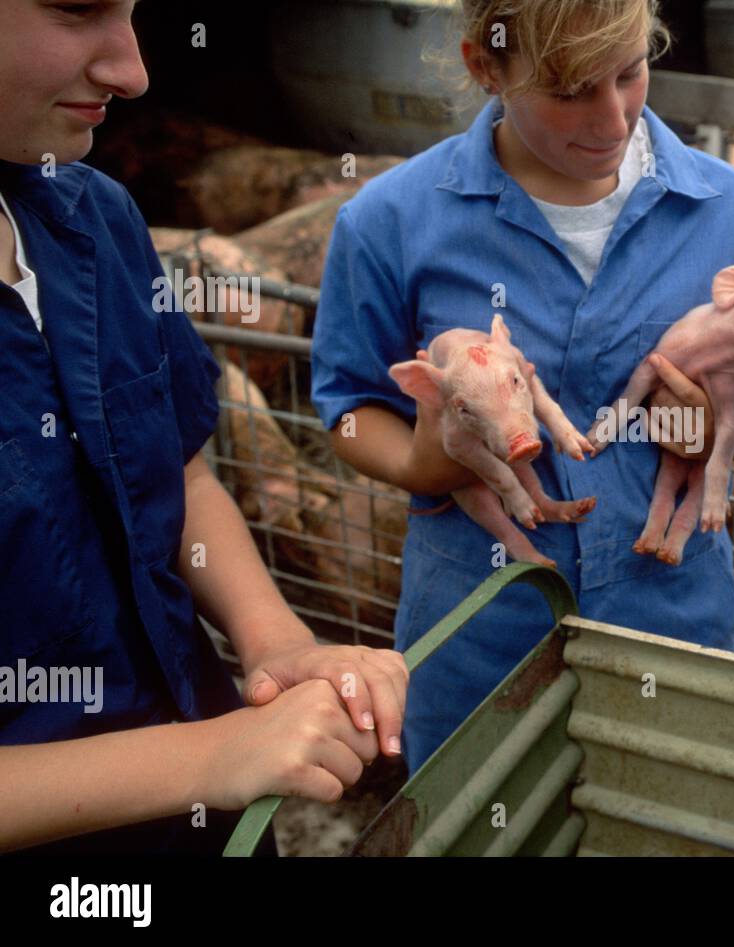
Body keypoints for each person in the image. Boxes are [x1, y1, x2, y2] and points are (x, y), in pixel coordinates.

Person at [312, 0, 734, 770]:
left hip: (675, 621)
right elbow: (348, 407)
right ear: (486, 66)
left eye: (630, 73)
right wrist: (423, 464)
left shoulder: (725, 209)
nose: (613, 119)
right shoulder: (389, 221)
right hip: (481, 631)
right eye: (570, 90)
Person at [0, 0, 409, 854]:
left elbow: (180, 476)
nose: (136, 71)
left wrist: (275, 646)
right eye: (78, 11)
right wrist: (207, 754)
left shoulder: (98, 220)